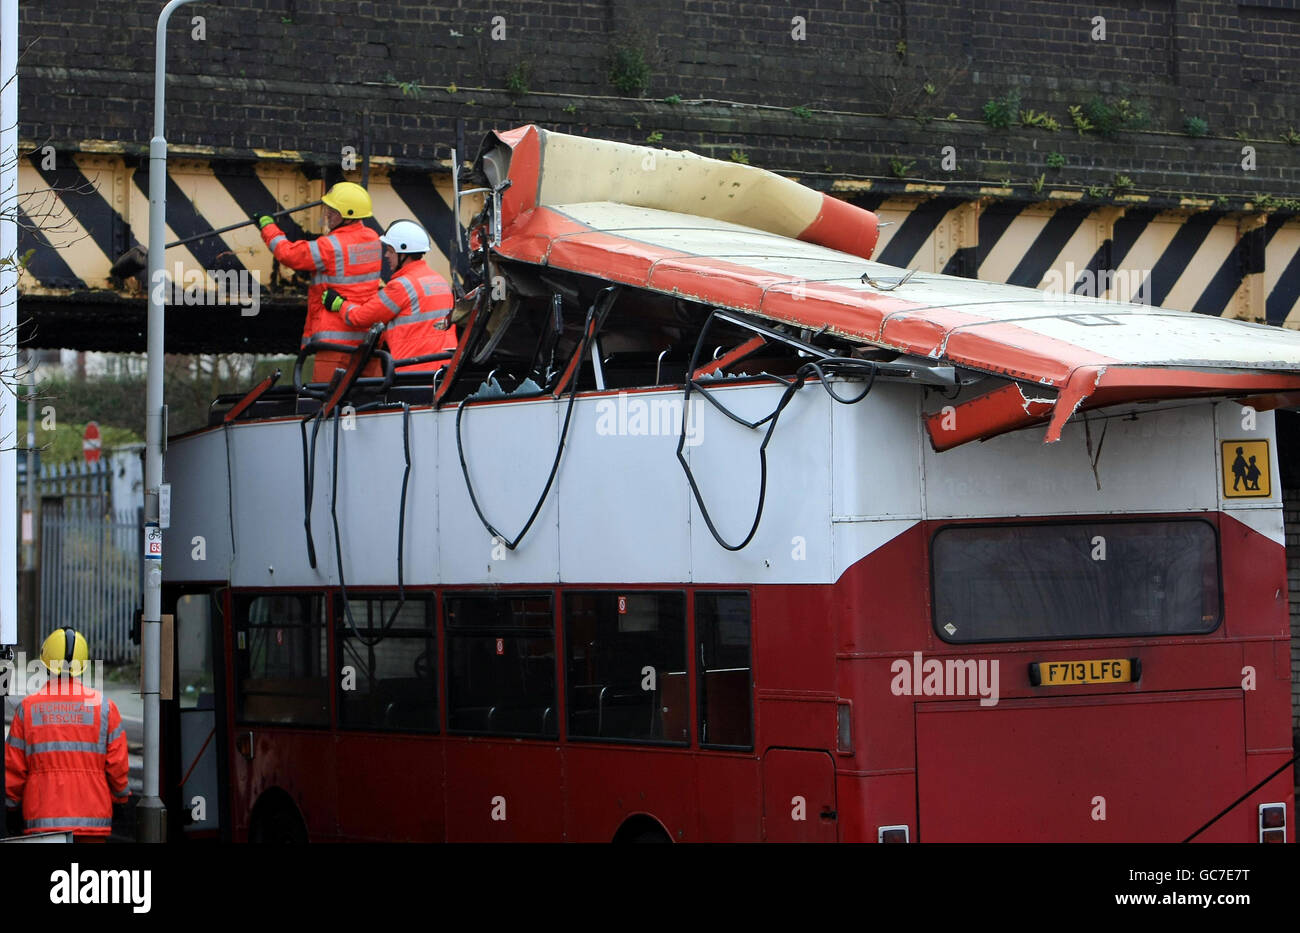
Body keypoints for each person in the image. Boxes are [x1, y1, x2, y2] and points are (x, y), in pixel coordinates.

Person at [5, 628, 129, 841]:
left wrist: (10, 809)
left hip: (42, 824)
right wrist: (120, 801)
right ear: (83, 667)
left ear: (45, 666)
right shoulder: (105, 708)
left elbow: (13, 772)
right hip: (93, 822)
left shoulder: (28, 709)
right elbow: (118, 769)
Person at [254, 181, 383, 381]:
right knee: (371, 400)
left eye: (333, 211)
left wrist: (267, 226)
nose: (327, 215)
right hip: (369, 339)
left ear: (348, 215)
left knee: (327, 402)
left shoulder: (330, 246)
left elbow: (288, 254)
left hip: (335, 342)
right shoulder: (373, 240)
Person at [322, 219, 457, 376]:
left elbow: (361, 317)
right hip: (444, 371)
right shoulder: (440, 281)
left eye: (390, 251)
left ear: (403, 253)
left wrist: (340, 304)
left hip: (412, 372)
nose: (386, 255)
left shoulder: (401, 286)